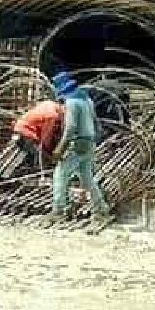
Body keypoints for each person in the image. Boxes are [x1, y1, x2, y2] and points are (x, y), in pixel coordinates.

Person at [50, 73, 110, 218]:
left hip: (77, 143)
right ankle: (101, 207)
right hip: (89, 141)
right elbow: (96, 123)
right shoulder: (88, 100)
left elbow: (70, 128)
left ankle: (58, 210)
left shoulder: (71, 102)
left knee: (60, 174)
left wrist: (60, 148)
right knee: (87, 177)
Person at [12, 99, 64, 170]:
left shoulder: (48, 104)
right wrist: (51, 153)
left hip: (20, 130)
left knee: (32, 157)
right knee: (41, 159)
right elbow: (46, 138)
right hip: (27, 133)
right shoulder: (52, 115)